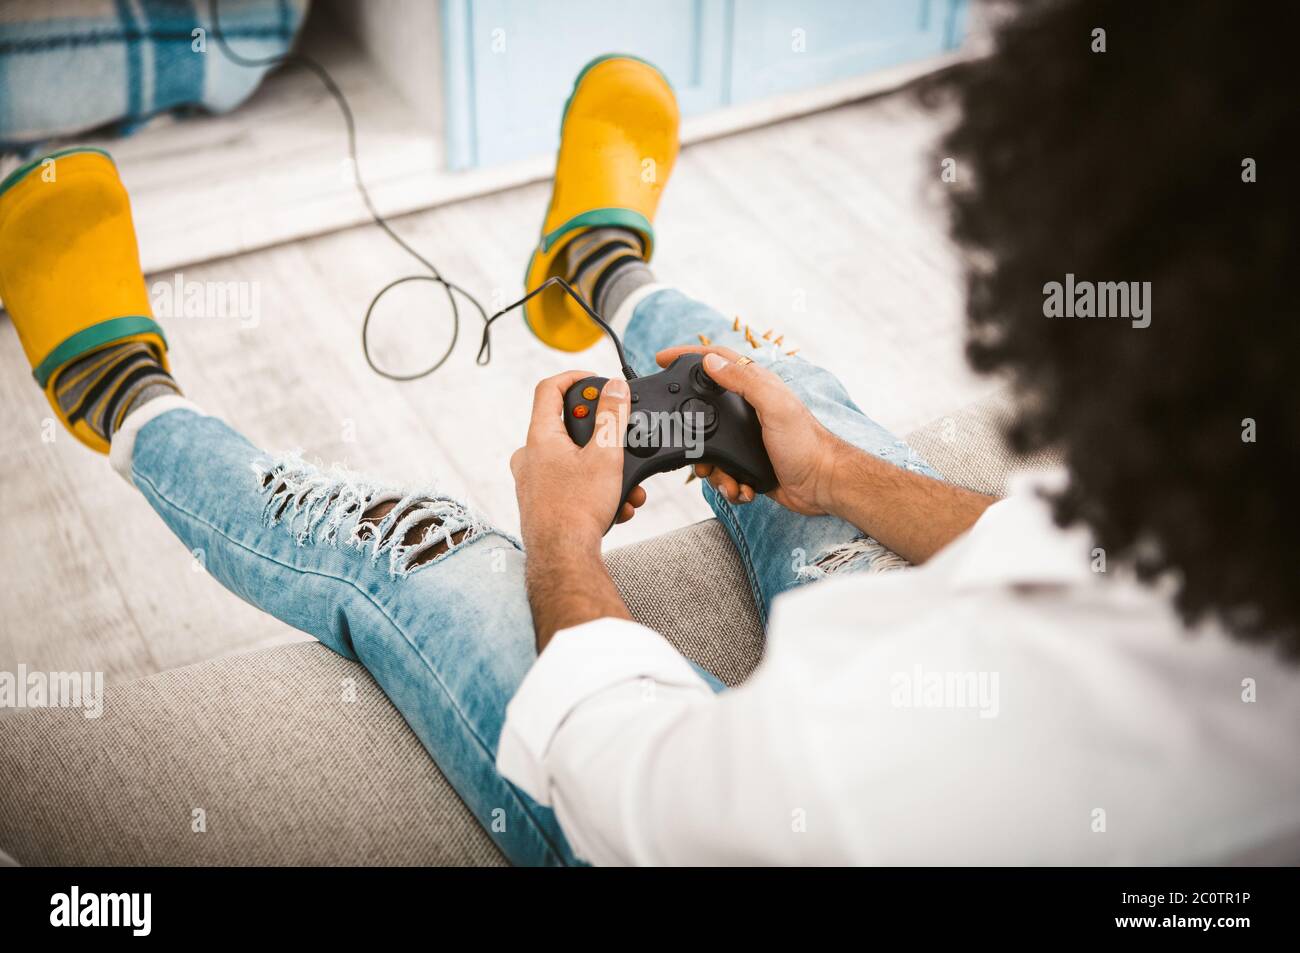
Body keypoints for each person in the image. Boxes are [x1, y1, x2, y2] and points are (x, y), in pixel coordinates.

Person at [3, 0, 1296, 866]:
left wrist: (565, 543)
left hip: (691, 815)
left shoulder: (882, 776)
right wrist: (836, 471)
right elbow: (1084, 550)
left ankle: (120, 399)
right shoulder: (1239, 536)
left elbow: (624, 771)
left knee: (430, 552)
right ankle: (601, 263)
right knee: (774, 403)